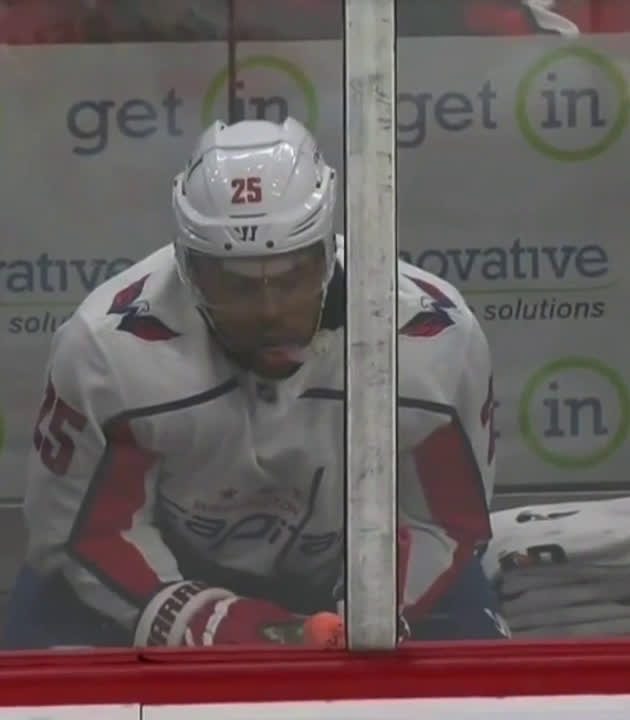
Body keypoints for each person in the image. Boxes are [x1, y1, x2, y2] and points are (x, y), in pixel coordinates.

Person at [2, 117, 507, 648]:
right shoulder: (107, 348)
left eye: (290, 277)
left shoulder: (431, 337)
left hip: (371, 572)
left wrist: (370, 618)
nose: (269, 311)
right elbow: (90, 535)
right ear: (189, 266)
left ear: (326, 252)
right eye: (235, 285)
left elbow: (445, 522)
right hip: (156, 577)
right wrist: (239, 630)